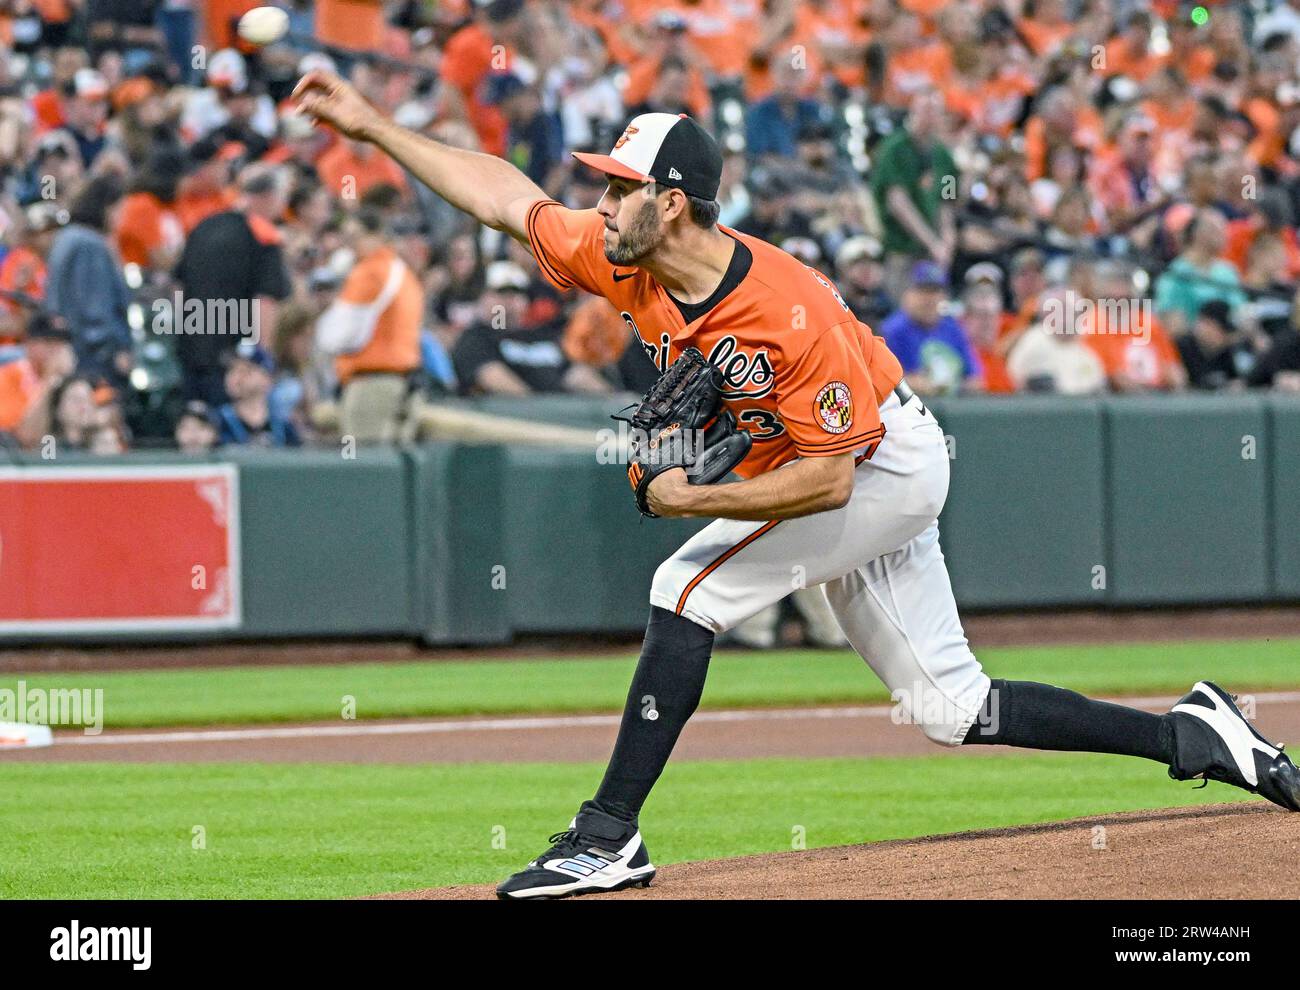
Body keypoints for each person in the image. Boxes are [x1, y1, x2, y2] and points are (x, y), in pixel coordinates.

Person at [294, 70, 1300, 900]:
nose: (596, 206)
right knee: (952, 707)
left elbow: (824, 480)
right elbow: (500, 195)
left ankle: (605, 838)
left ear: (670, 202)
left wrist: (684, 500)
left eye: (615, 188)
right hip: (833, 464)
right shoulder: (622, 260)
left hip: (880, 465)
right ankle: (1194, 734)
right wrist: (375, 124)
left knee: (687, 587)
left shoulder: (782, 312)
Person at [173, 164, 293, 405]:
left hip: (191, 351)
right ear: (268, 197)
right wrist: (262, 360)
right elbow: (265, 301)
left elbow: (177, 287)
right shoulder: (263, 236)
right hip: (236, 362)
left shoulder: (204, 226)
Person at [315, 208, 425, 443]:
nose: (350, 245)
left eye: (355, 237)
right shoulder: (402, 270)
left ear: (377, 235)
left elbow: (337, 337)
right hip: (403, 380)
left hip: (371, 385)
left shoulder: (370, 271)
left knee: (367, 470)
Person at [878, 262, 981, 396]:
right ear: (907, 294)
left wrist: (951, 385)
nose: (930, 299)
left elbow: (976, 380)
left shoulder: (952, 328)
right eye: (923, 291)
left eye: (935, 291)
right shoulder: (892, 330)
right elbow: (884, 379)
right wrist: (918, 384)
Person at [216, 341, 301, 447]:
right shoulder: (217, 422)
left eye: (245, 371)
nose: (235, 377)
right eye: (231, 370)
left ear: (268, 379)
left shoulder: (283, 427)